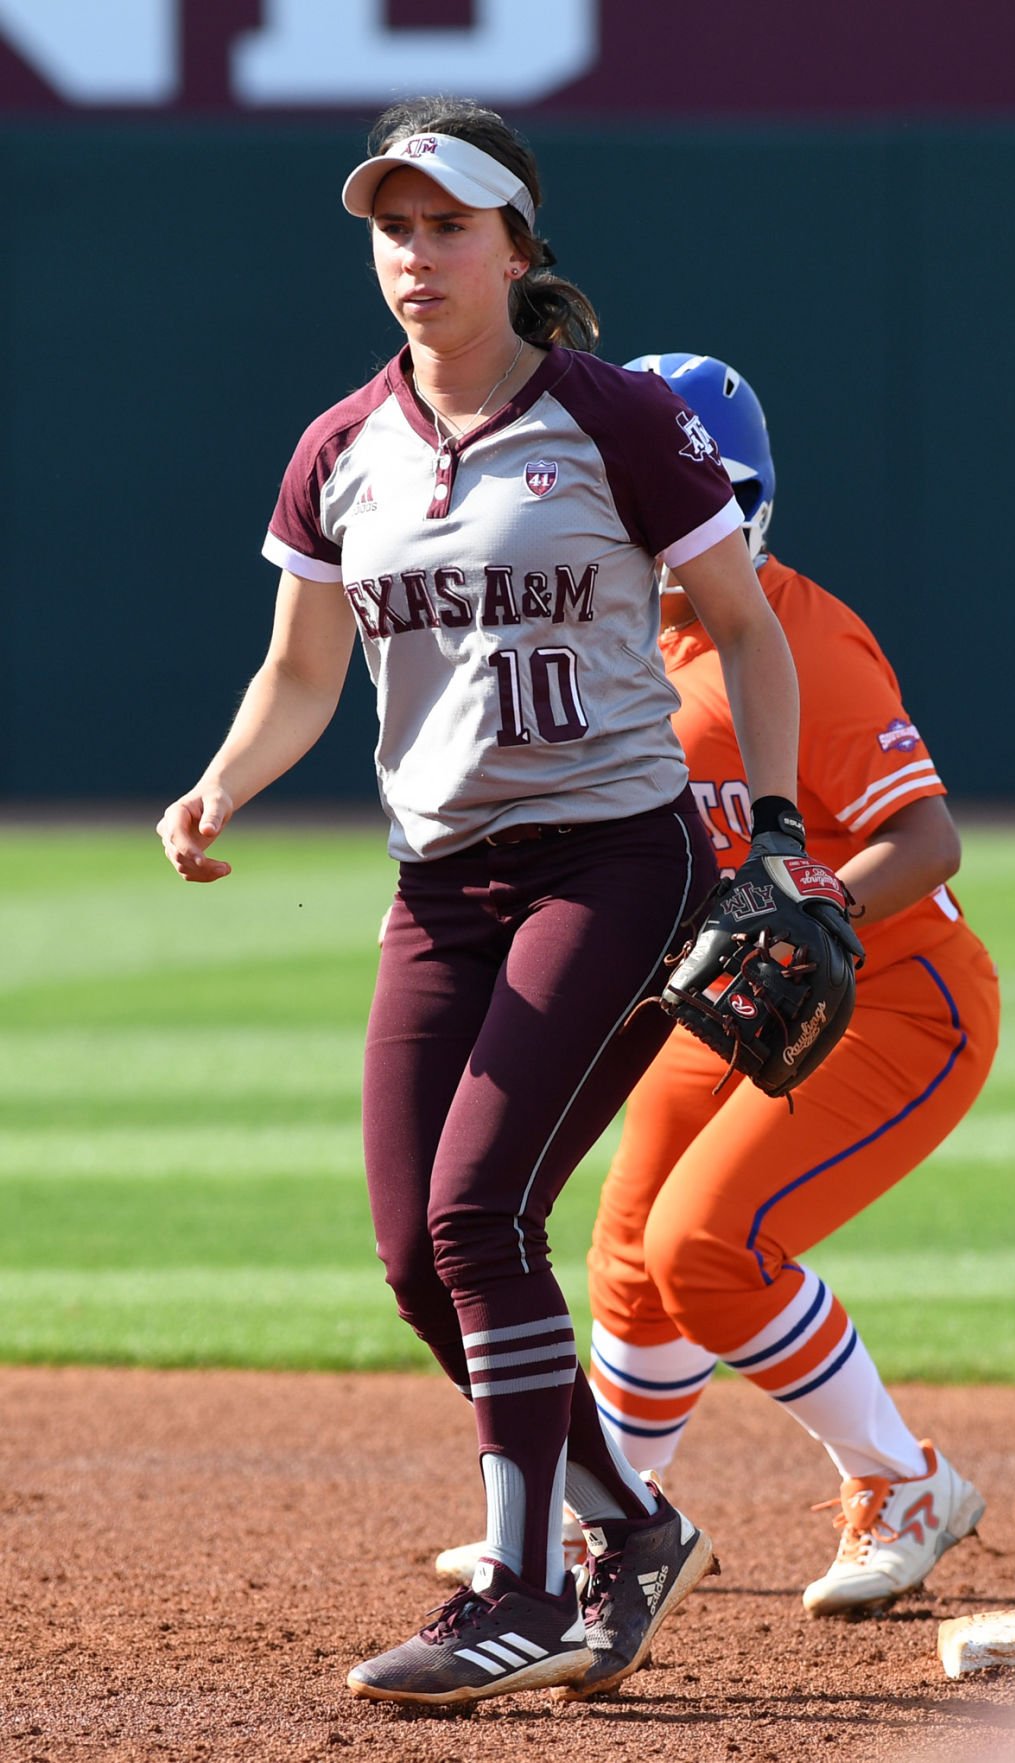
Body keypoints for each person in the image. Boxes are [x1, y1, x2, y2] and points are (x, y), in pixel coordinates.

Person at [156, 104, 809, 1707]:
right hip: (440, 879)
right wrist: (224, 783)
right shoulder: (341, 447)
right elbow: (303, 666)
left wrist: (776, 835)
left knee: (475, 1214)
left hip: (611, 855)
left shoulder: (610, 418)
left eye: (446, 225)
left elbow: (740, 618)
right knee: (409, 1249)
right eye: (391, 227)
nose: (414, 255)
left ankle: (520, 1590)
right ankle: (628, 1526)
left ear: (518, 247)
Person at [436, 353, 1000, 1618]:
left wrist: (822, 897)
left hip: (892, 1000)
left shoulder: (801, 640)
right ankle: (623, 1517)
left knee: (707, 1250)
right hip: (731, 1000)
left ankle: (903, 1481)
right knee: (629, 1260)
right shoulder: (600, 639)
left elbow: (929, 840)